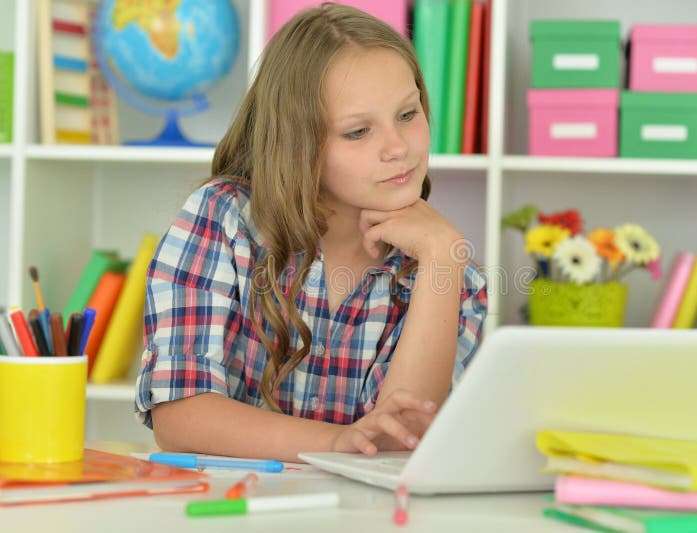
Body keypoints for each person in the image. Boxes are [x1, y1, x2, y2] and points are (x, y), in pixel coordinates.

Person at [134, 3, 488, 462]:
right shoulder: (225, 219)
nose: (398, 147)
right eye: (358, 131)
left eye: (407, 114)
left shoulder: (452, 270)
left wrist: (442, 254)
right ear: (297, 141)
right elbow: (180, 417)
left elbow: (401, 437)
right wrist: (334, 442)